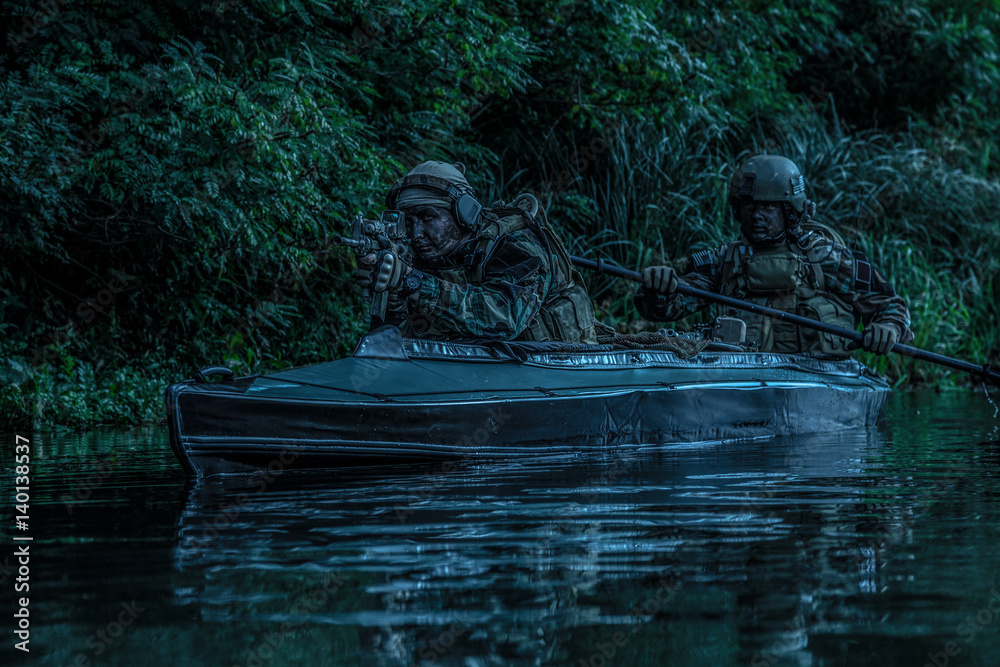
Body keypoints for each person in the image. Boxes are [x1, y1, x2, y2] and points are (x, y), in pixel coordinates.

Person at [634, 154, 912, 356]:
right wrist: (659, 288)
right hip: (744, 380)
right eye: (749, 206)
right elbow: (666, 309)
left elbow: (891, 305)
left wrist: (887, 328)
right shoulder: (724, 262)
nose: (756, 215)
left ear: (789, 210)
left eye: (768, 207)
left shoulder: (827, 258)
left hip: (818, 379)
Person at [354, 160, 597, 343]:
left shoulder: (516, 243)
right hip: (477, 374)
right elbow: (400, 341)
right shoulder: (423, 254)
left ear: (464, 213)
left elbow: (506, 318)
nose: (415, 233)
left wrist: (412, 282)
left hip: (560, 372)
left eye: (427, 217)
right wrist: (392, 297)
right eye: (408, 222)